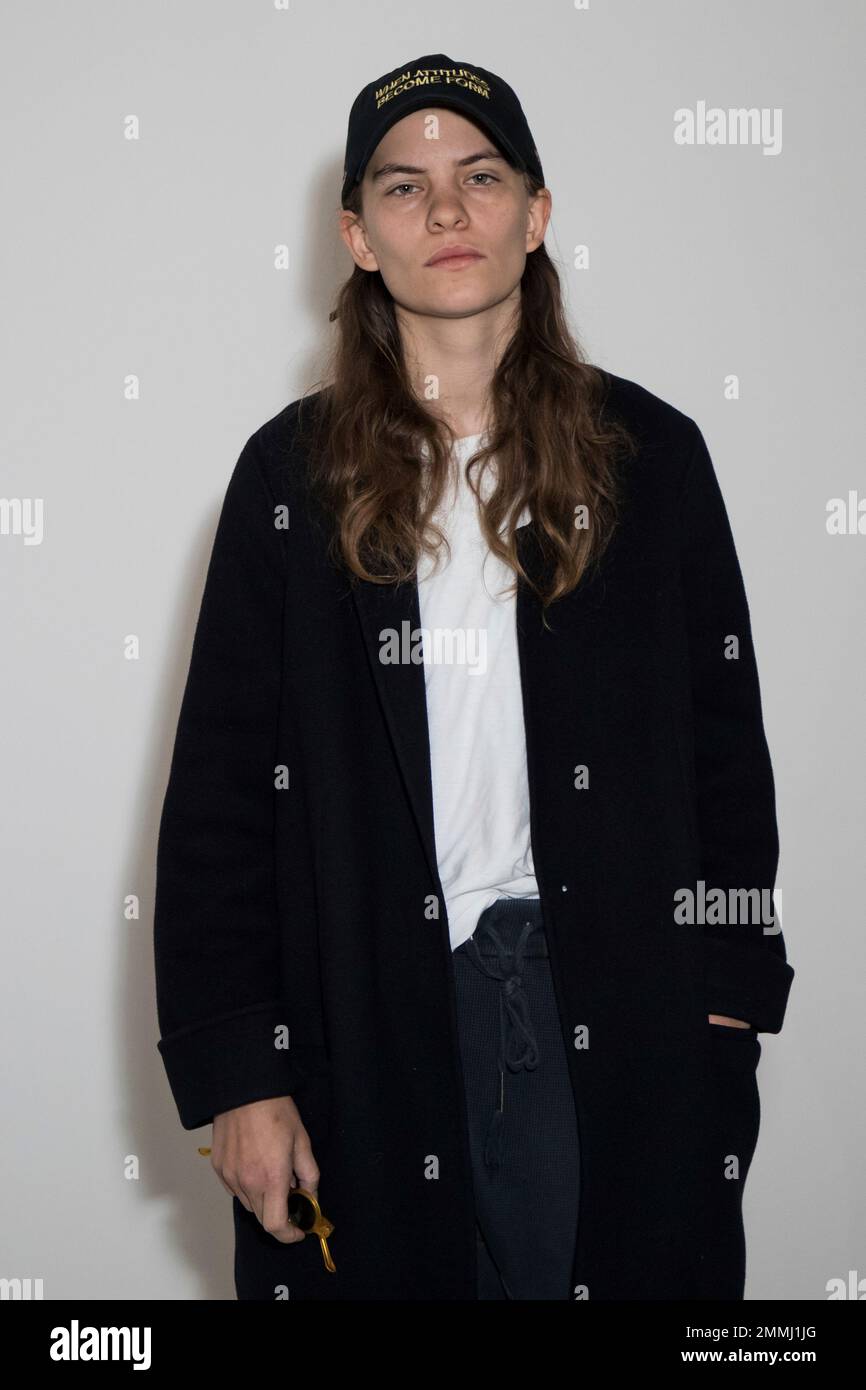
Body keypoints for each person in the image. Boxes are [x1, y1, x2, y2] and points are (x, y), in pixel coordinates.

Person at [153, 53, 795, 1301]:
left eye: (479, 177)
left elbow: (727, 758)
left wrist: (721, 1014)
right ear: (357, 236)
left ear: (535, 212)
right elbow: (221, 797)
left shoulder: (650, 458)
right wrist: (239, 1073)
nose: (445, 214)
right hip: (366, 1016)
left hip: (605, 1001)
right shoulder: (286, 479)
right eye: (404, 187)